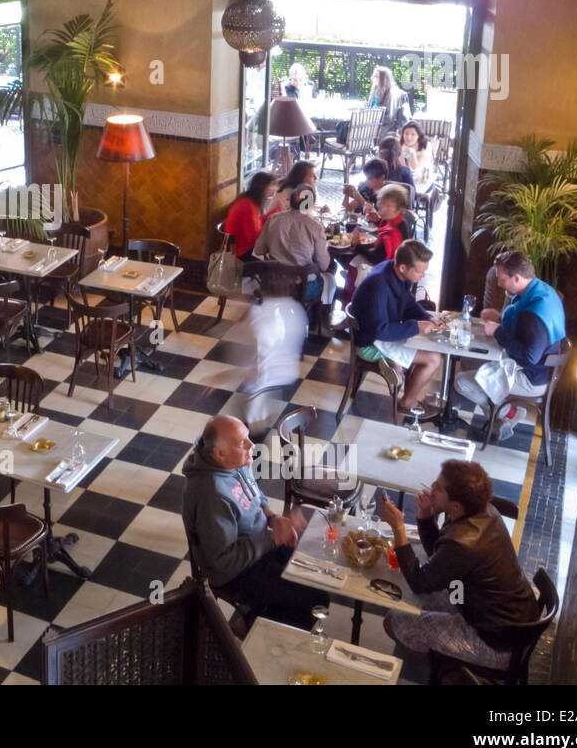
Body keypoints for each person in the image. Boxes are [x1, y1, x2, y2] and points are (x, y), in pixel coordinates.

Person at [377, 462, 541, 668]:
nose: (432, 487)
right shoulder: (481, 510)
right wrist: (426, 514)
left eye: (439, 487)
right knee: (415, 596)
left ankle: (449, 670)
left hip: (496, 641)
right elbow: (439, 556)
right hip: (492, 610)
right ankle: (445, 649)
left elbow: (419, 581)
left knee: (394, 621)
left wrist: (398, 528)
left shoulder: (464, 541)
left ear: (455, 505)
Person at [182, 415, 328, 629]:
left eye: (248, 437)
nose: (252, 445)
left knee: (316, 582)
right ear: (220, 453)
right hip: (234, 572)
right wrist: (272, 539)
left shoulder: (234, 461)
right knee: (312, 602)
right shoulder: (212, 494)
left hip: (259, 547)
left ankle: (253, 619)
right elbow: (223, 562)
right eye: (243, 442)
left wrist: (272, 517)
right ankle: (258, 633)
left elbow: (255, 493)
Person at [455, 251, 567, 440]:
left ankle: (506, 414)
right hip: (536, 369)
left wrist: (497, 331)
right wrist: (499, 319)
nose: (499, 284)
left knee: (461, 382)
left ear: (516, 277)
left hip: (532, 378)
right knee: (472, 364)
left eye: (502, 279)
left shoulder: (536, 313)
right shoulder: (541, 290)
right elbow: (525, 332)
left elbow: (530, 355)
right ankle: (503, 417)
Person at [348, 239, 446, 415]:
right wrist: (416, 326)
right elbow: (380, 330)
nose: (422, 276)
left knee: (428, 346)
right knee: (433, 358)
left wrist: (427, 317)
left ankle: (404, 383)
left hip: (381, 332)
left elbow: (407, 301)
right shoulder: (378, 285)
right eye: (419, 271)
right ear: (403, 267)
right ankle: (407, 403)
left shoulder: (395, 272)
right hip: (370, 342)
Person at [253, 186, 333, 304]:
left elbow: (259, 250)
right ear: (311, 203)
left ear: (290, 201)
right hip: (302, 288)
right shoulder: (315, 227)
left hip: (274, 283)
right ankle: (314, 318)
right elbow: (324, 265)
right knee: (330, 279)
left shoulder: (273, 219)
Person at [342, 182, 413, 294]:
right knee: (350, 259)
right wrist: (378, 220)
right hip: (394, 271)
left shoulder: (393, 233)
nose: (383, 209)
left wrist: (356, 245)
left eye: (388, 206)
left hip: (387, 279)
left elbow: (376, 258)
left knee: (351, 260)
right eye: (382, 204)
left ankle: (352, 299)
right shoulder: (399, 222)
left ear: (399, 209)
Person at [223, 171, 276, 259]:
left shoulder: (248, 201)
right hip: (242, 253)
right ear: (262, 188)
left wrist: (273, 214)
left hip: (243, 247)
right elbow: (255, 238)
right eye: (272, 185)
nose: (275, 188)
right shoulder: (247, 207)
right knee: (278, 253)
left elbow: (256, 223)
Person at [370, 65, 412, 140]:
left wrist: (372, 119)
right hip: (373, 126)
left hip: (385, 130)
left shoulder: (392, 94)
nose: (372, 78)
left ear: (384, 79)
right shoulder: (376, 91)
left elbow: (389, 118)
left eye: (376, 76)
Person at [400, 121, 433, 188]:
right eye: (406, 134)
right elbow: (402, 163)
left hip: (422, 178)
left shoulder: (425, 146)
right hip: (406, 177)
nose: (409, 137)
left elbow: (414, 167)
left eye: (413, 135)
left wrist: (412, 153)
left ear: (418, 136)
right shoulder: (401, 145)